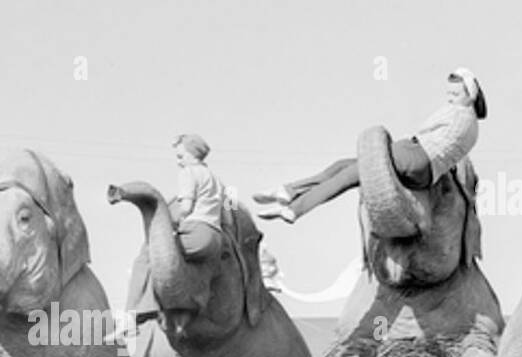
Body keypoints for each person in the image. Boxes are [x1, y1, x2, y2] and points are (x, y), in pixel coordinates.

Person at [253, 68, 488, 222]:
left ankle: (295, 209)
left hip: (417, 155)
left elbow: (423, 133)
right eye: (449, 93)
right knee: (343, 166)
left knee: (348, 176)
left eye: (455, 93)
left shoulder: (459, 114)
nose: (450, 98)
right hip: (424, 170)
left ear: (470, 94)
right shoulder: (470, 124)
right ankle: (289, 191)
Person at [170, 133, 226, 260]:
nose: (178, 162)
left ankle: (138, 280)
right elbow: (228, 214)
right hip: (216, 238)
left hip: (196, 231)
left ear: (192, 154)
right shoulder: (218, 181)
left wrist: (171, 222)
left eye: (180, 157)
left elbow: (186, 208)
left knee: (151, 251)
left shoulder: (188, 172)